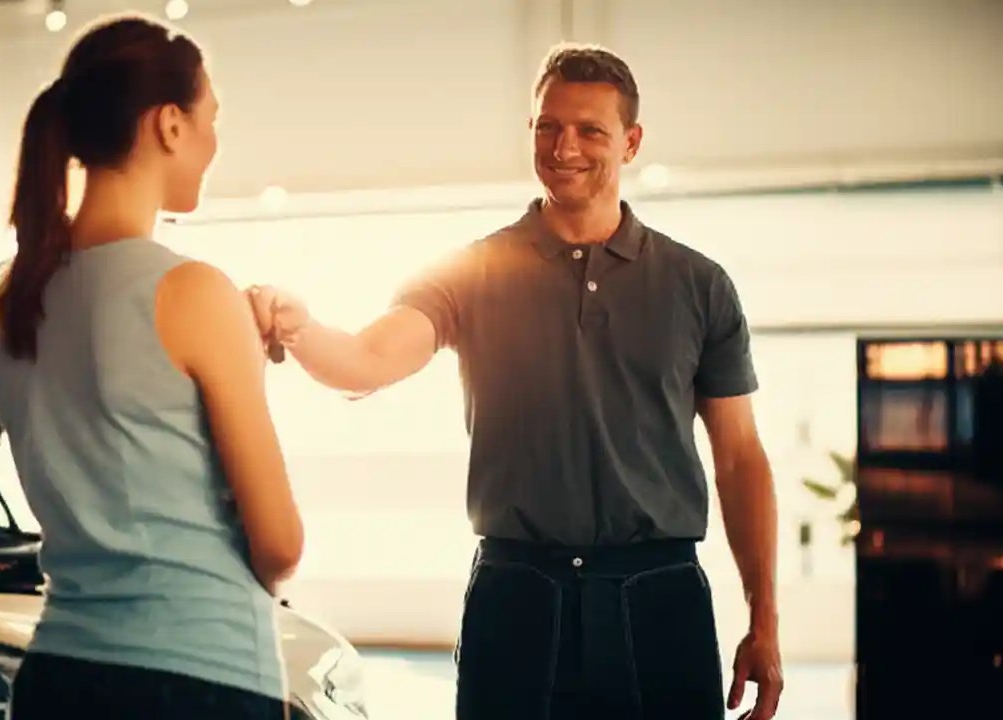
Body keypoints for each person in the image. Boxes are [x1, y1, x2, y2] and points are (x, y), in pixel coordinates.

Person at [250, 43, 783, 720]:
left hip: (660, 596)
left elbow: (739, 458)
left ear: (631, 142)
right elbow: (365, 361)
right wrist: (298, 326)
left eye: (590, 130)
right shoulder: (471, 272)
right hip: (517, 595)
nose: (565, 147)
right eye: (548, 126)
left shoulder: (699, 285)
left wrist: (764, 619)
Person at [0, 14, 306, 719]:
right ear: (170, 125)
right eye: (210, 120)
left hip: (57, 678)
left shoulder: (19, 303)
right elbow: (280, 545)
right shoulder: (194, 292)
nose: (214, 142)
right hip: (196, 677)